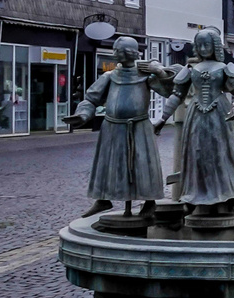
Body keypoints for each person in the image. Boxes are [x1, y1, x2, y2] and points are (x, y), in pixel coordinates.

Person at [67, 36, 172, 217]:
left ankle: (149, 202)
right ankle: (102, 199)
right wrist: (83, 114)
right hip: (112, 127)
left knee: (143, 164)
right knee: (109, 165)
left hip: (138, 126)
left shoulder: (145, 75)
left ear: (129, 52)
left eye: (119, 50)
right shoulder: (110, 76)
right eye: (115, 50)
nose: (115, 54)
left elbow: (168, 91)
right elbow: (91, 98)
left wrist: (161, 73)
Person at [154, 29, 234, 212]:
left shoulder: (224, 68)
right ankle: (195, 194)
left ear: (215, 46)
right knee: (197, 152)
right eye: (199, 45)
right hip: (196, 114)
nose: (203, 48)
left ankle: (227, 195)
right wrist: (162, 118)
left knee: (221, 152)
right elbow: (177, 94)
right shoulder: (191, 69)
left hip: (220, 113)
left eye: (207, 44)